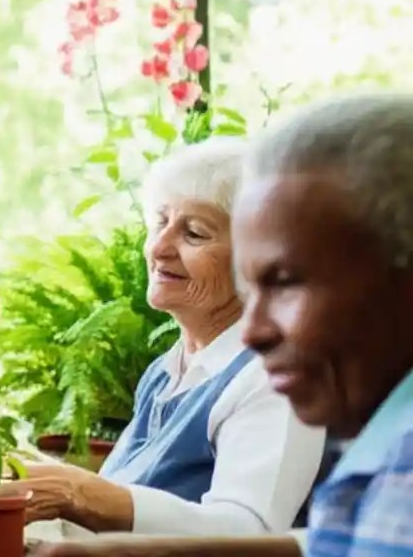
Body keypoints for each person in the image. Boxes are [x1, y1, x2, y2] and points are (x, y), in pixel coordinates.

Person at [32, 93, 413, 557]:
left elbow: (252, 527)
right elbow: (329, 546)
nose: (252, 334)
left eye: (286, 283)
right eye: (160, 223)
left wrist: (81, 496)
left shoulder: (281, 388)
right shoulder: (381, 457)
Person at [8, 138, 327, 535]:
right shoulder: (168, 371)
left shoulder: (275, 380)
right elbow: (109, 502)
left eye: (193, 233)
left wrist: (75, 490)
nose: (159, 247)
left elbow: (247, 532)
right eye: (160, 222)